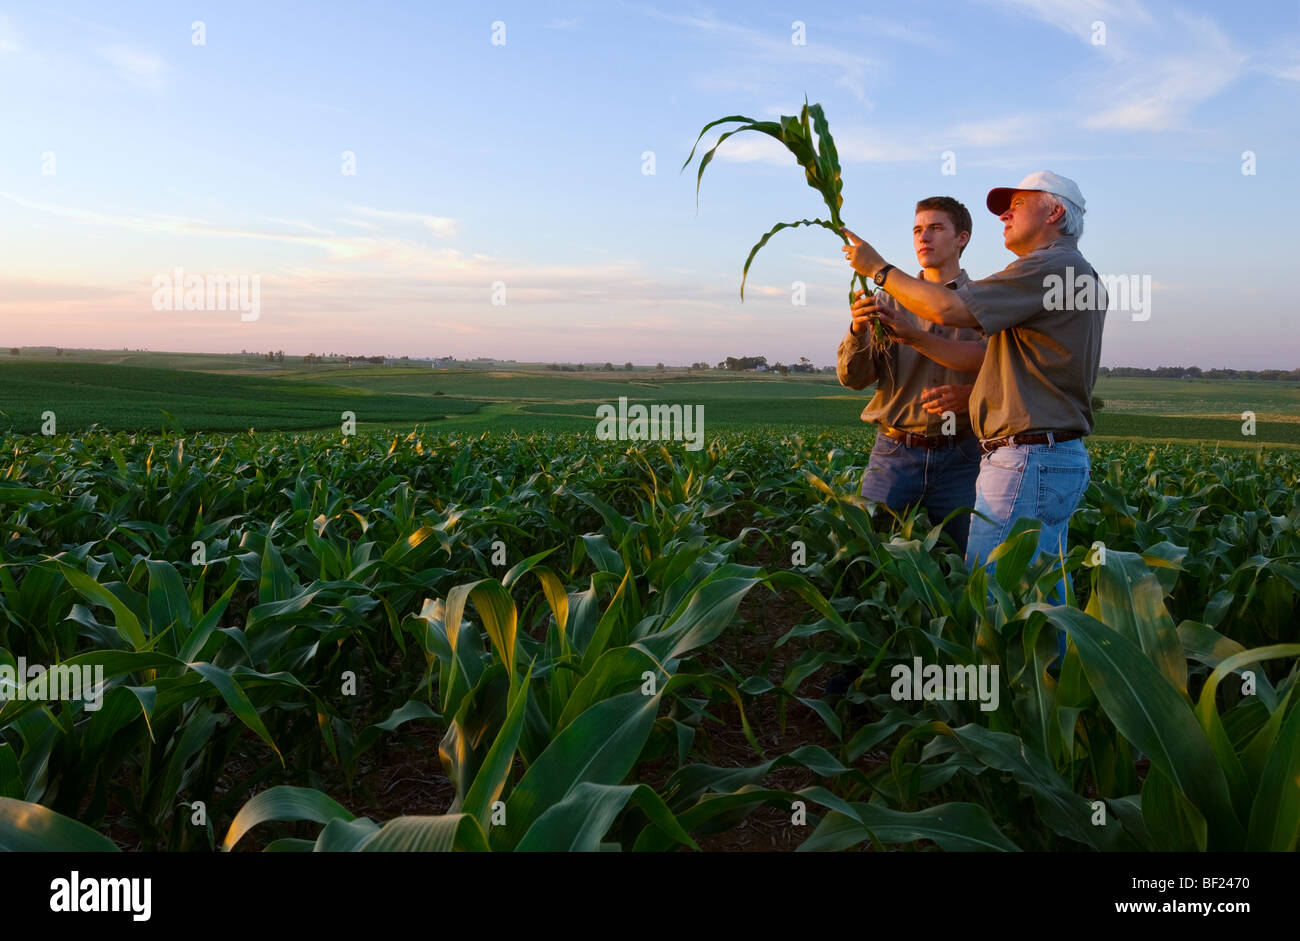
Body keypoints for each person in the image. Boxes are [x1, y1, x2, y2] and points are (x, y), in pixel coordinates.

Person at [841, 171, 1106, 666]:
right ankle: (1053, 710)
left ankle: (998, 717)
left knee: (992, 597)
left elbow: (951, 308)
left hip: (1025, 457)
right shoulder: (1065, 272)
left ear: (1054, 213)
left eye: (1016, 204)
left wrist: (878, 267)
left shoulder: (1047, 269)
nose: (1004, 214)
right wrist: (912, 337)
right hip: (1043, 455)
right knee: (1043, 597)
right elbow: (985, 357)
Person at [836, 196, 988, 554]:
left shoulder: (984, 303)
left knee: (960, 564)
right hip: (895, 453)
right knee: (870, 559)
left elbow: (1004, 372)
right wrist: (859, 329)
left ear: (962, 238)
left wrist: (972, 396)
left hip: (963, 457)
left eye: (936, 228)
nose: (924, 238)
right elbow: (854, 379)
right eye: (918, 230)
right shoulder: (885, 302)